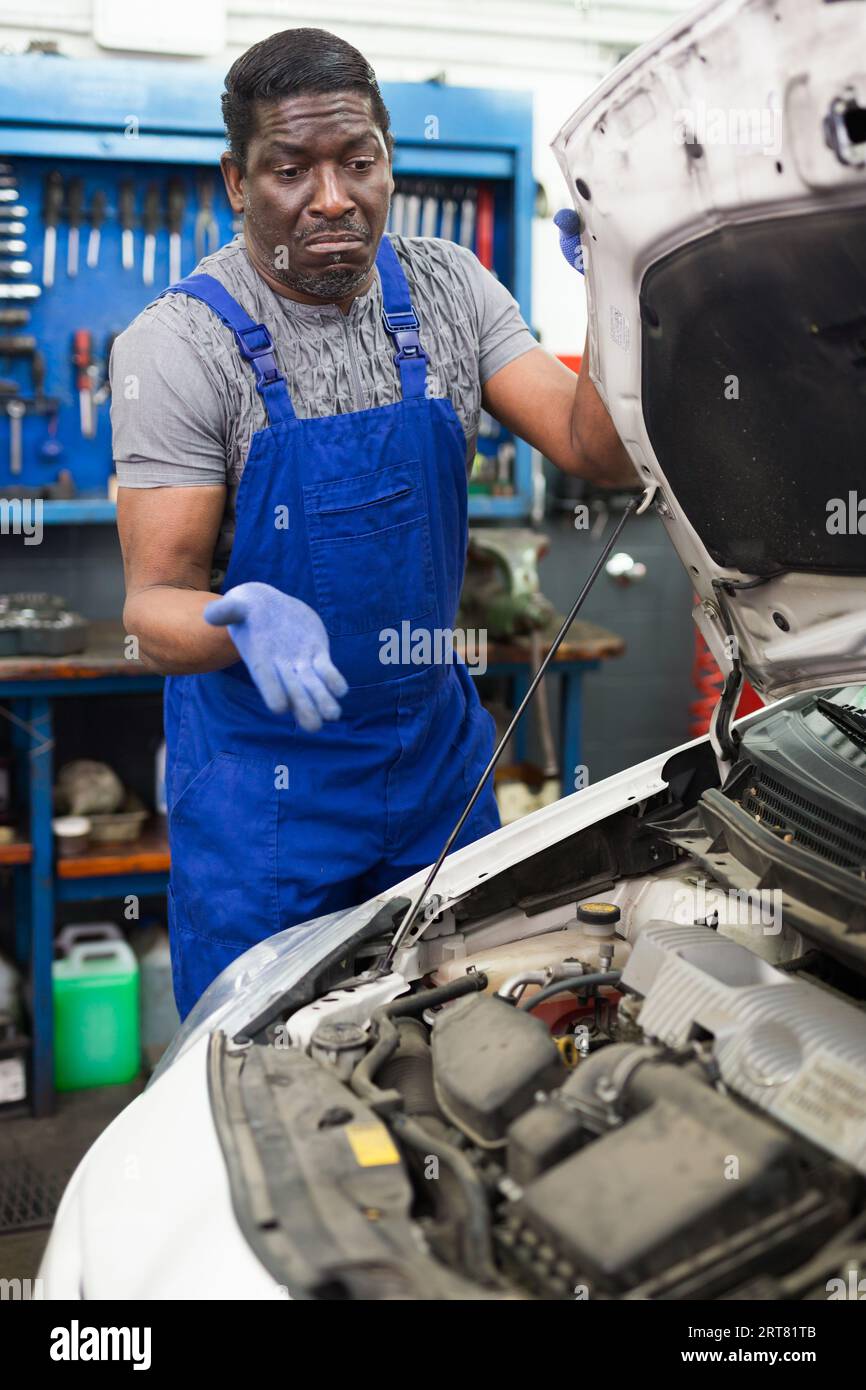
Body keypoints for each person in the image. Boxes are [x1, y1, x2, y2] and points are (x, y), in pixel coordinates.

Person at [112, 27, 635, 1019]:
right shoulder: (176, 347)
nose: (330, 197)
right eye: (290, 168)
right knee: (262, 1065)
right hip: (268, 802)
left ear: (387, 159)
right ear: (236, 178)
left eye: (357, 162)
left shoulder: (448, 290)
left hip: (435, 763)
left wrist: (615, 289)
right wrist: (236, 613)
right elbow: (151, 609)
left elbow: (592, 447)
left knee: (467, 1032)